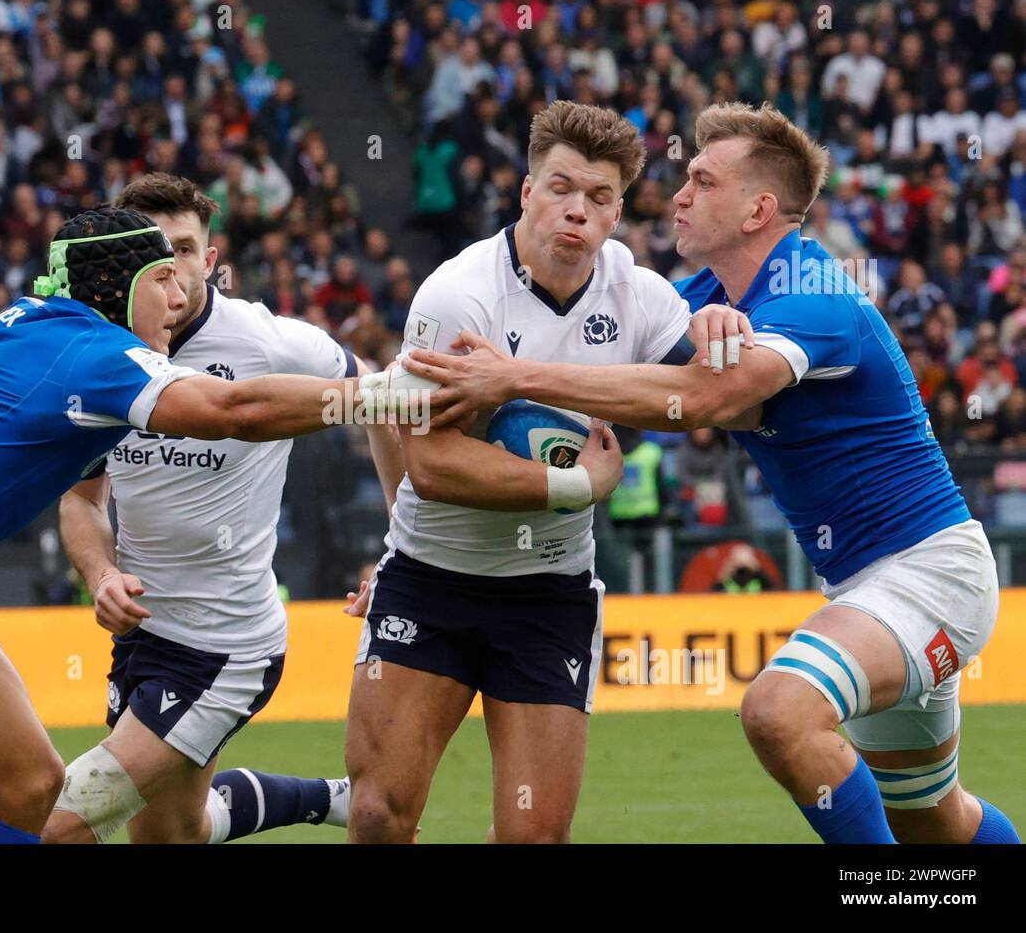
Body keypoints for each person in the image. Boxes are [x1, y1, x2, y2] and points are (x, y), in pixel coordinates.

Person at [405, 103, 1019, 844]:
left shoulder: (813, 291)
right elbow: (643, 365)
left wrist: (513, 378)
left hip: (929, 572)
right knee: (934, 822)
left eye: (701, 179)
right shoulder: (702, 301)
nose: (680, 196)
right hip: (864, 587)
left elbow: (701, 398)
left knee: (778, 711)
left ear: (759, 208)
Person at [0, 206, 390, 844]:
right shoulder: (94, 352)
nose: (179, 297)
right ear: (116, 288)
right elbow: (232, 410)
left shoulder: (38, 325)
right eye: (160, 279)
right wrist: (392, 392)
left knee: (32, 784)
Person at [342, 101, 746, 844]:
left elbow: (705, 401)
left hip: (548, 594)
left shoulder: (639, 294)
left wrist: (721, 330)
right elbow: (431, 465)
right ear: (526, 193)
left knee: (534, 836)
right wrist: (577, 487)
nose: (577, 211)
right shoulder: (458, 295)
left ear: (618, 212)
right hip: (432, 577)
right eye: (560, 188)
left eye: (598, 198)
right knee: (375, 816)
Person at [44, 175, 404, 844]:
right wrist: (99, 576)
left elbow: (383, 396)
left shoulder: (270, 344)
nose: (172, 271)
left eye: (185, 249)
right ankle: (329, 799)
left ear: (210, 260)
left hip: (225, 646)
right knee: (173, 833)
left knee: (67, 825)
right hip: (141, 636)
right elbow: (81, 498)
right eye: (154, 254)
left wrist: (399, 546)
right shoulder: (100, 357)